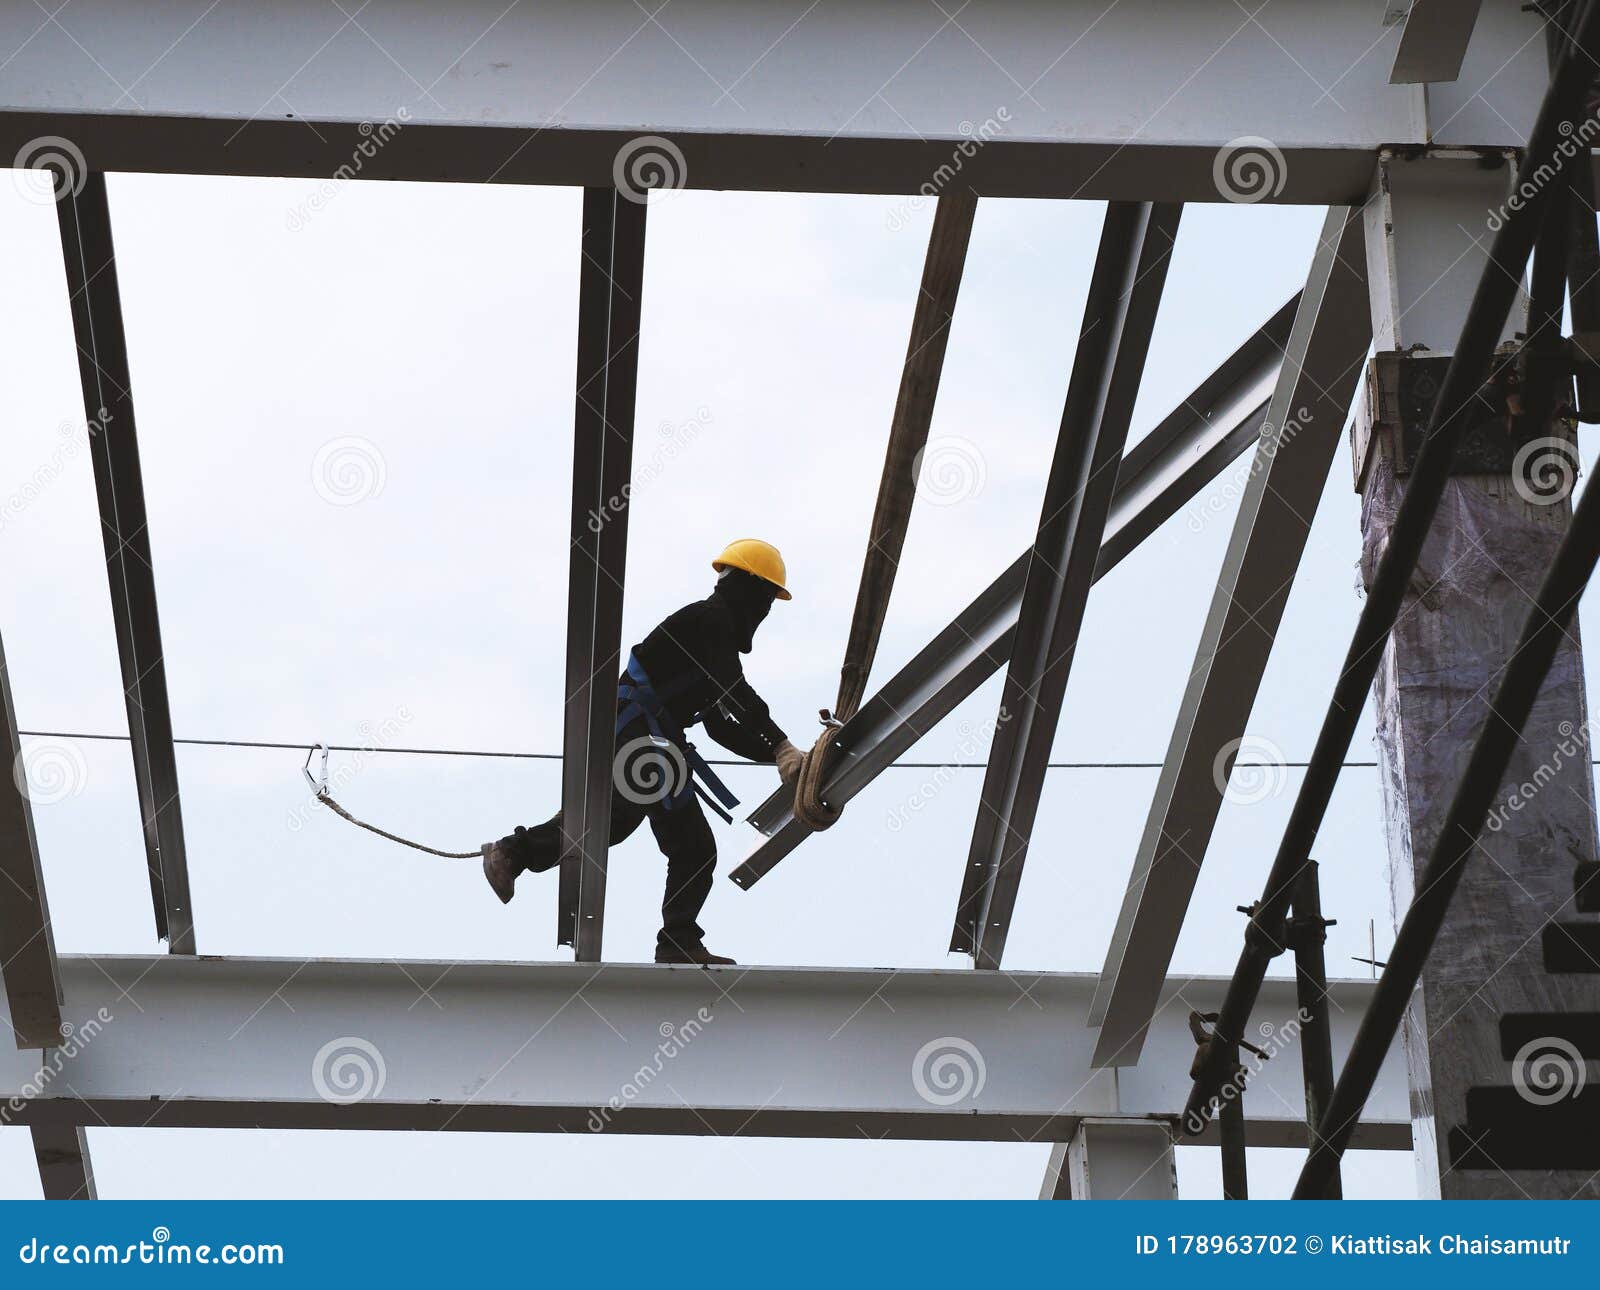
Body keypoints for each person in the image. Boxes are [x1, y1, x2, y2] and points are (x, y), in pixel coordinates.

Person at [480, 539, 805, 965]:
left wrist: (783, 757)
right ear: (749, 589)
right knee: (693, 848)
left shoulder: (710, 630)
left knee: (606, 828)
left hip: (636, 739)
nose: (764, 611)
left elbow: (720, 727)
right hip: (642, 741)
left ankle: (513, 853)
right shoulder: (712, 622)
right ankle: (677, 941)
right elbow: (736, 692)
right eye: (766, 598)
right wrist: (781, 746)